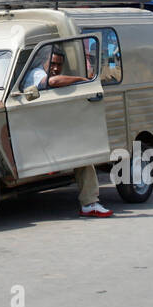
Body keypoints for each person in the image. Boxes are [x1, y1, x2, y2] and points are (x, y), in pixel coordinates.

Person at [27, 45, 112, 219]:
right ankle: (89, 203)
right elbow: (51, 82)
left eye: (59, 64)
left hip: (48, 131)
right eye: (53, 63)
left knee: (83, 155)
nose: (56, 68)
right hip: (36, 134)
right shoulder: (36, 74)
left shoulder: (47, 73)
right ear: (44, 61)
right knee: (82, 155)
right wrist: (82, 79)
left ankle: (90, 203)